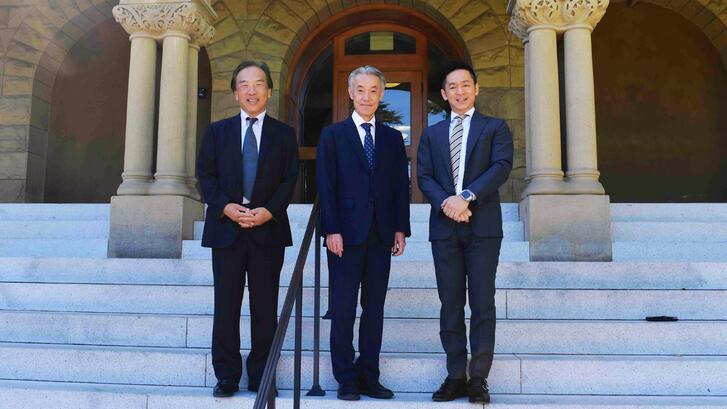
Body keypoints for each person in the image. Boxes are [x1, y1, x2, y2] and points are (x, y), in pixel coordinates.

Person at [196, 61, 299, 398]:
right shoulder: (217, 132)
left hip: (267, 231)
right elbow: (206, 176)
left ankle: (262, 375)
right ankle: (226, 375)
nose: (251, 91)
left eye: (258, 84)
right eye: (244, 84)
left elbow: (289, 179)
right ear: (235, 92)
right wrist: (225, 206)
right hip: (226, 229)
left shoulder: (284, 134)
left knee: (265, 307)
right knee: (226, 305)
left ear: (269, 91)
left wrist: (268, 211)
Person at [416, 61, 513, 404]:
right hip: (445, 229)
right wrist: (448, 203)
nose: (459, 91)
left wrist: (466, 197)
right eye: (452, 87)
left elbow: (501, 166)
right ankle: (456, 375)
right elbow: (424, 176)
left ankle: (479, 378)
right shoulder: (432, 134)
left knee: (483, 302)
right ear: (444, 95)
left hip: (483, 226)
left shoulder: (495, 128)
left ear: (476, 88)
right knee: (450, 303)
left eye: (465, 84)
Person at [316, 65, 411, 401]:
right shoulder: (333, 135)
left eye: (373, 90)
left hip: (381, 234)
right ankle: (345, 377)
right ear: (350, 93)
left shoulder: (392, 137)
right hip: (344, 235)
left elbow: (401, 185)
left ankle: (370, 375)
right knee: (343, 308)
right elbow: (325, 186)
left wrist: (401, 228)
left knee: (374, 309)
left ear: (381, 94)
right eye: (360, 90)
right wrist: (331, 229)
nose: (366, 96)